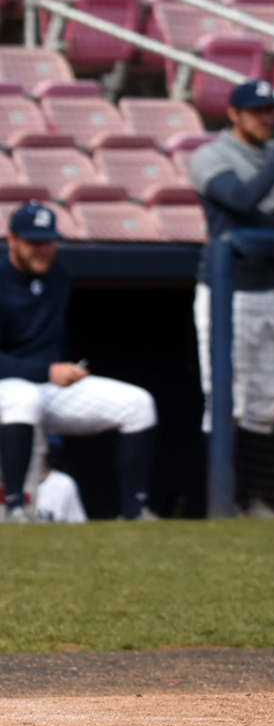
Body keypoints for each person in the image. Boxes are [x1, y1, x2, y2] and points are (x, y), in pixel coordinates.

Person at [188, 79, 274, 518]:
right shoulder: (211, 155)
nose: (265, 118)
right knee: (226, 399)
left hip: (269, 288)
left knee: (266, 403)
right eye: (256, 112)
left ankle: (249, 498)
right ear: (233, 114)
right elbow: (242, 200)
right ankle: (218, 500)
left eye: (270, 110)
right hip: (227, 291)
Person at [0, 202, 159, 521]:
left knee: (138, 403)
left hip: (47, 385)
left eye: (47, 241)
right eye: (33, 242)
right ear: (12, 239)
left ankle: (135, 512)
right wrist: (45, 370)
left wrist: (64, 370)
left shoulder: (58, 276)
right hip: (9, 387)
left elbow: (51, 343)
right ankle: (15, 507)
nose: (42, 249)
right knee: (25, 397)